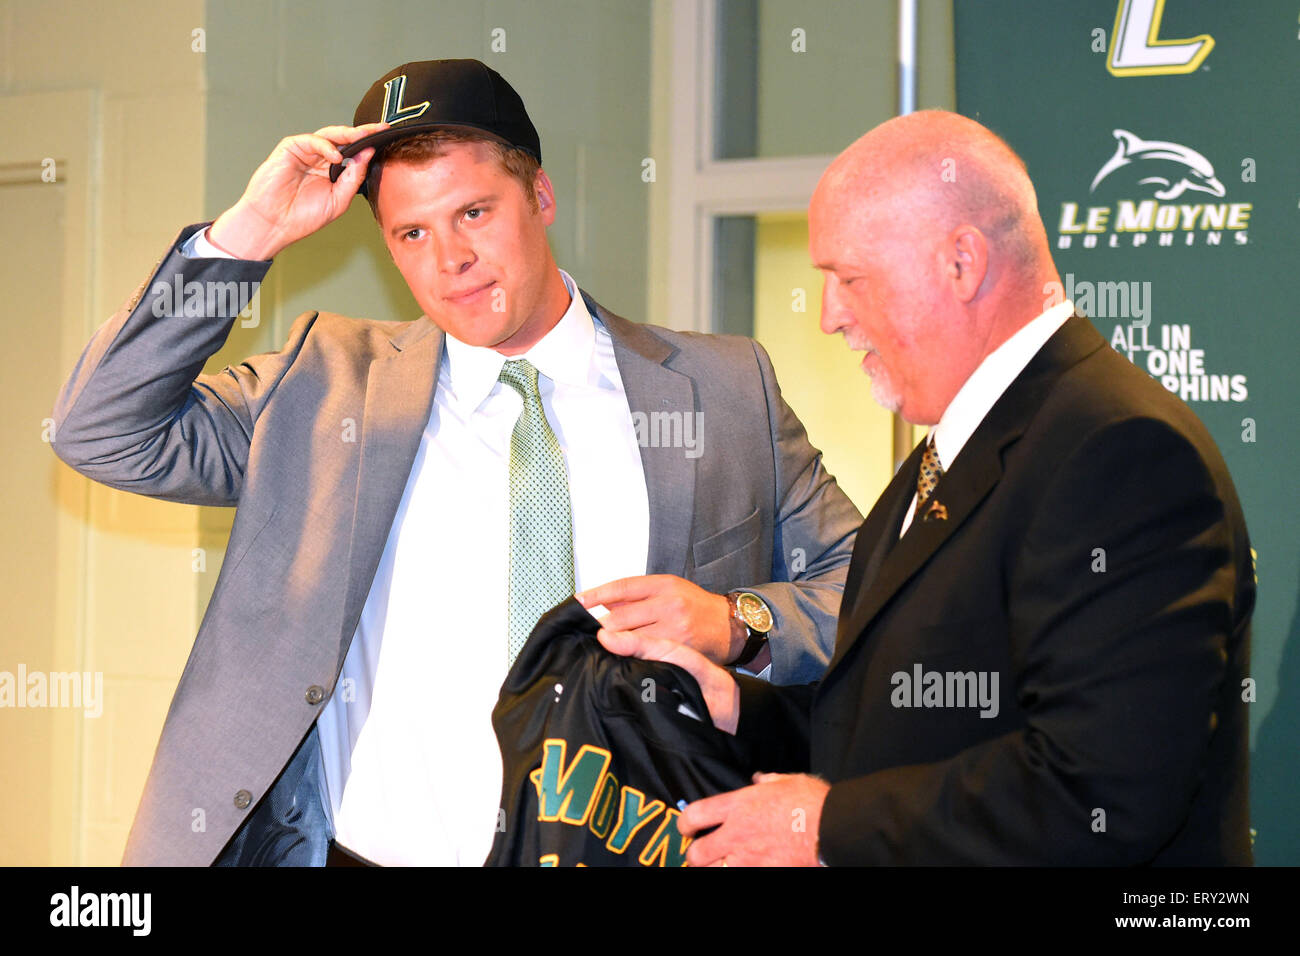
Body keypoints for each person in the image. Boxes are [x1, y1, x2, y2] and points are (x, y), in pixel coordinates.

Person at [49, 59, 862, 866]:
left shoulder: (721, 390)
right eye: (412, 232)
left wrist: (741, 623)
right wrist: (246, 235)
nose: (450, 259)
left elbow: (862, 589)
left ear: (540, 197)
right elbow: (100, 427)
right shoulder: (321, 388)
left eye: (474, 212)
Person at [600, 110, 1255, 866]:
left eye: (848, 279)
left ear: (961, 263)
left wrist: (824, 827)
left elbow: (1103, 789)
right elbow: (899, 718)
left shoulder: (1120, 451)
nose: (828, 317)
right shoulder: (942, 456)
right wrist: (736, 710)